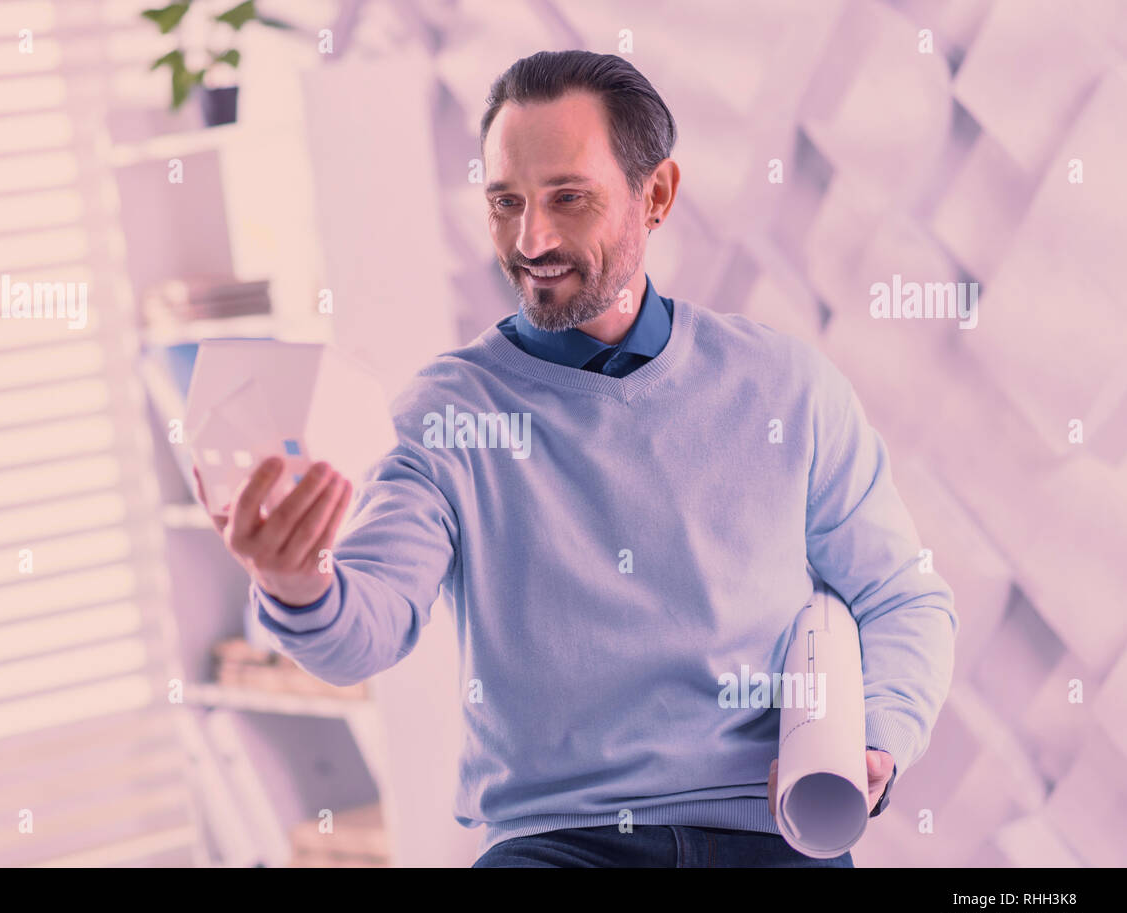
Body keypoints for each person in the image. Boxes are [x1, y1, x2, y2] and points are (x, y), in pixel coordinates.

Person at [192, 50, 958, 867]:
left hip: (769, 831)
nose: (533, 239)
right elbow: (364, 631)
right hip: (558, 840)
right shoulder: (446, 415)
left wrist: (876, 738)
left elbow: (902, 595)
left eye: (568, 198)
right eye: (505, 202)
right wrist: (297, 582)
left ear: (655, 194)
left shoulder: (784, 386)